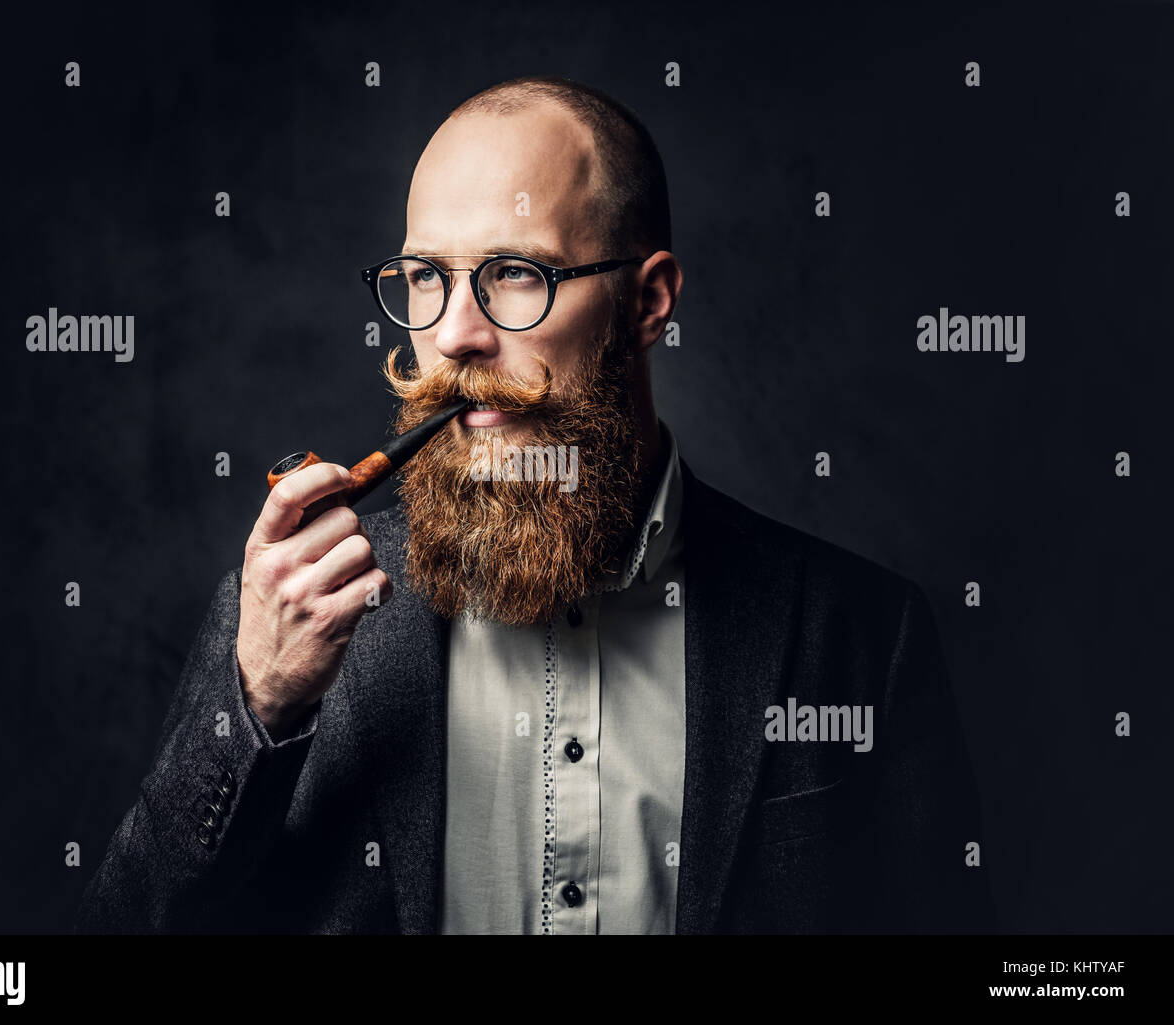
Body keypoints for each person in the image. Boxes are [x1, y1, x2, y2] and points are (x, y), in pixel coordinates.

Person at [75, 74, 995, 935]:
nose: (454, 334)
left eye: (517, 272)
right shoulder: (284, 615)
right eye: (425, 278)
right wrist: (260, 705)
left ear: (648, 300)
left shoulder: (861, 633)